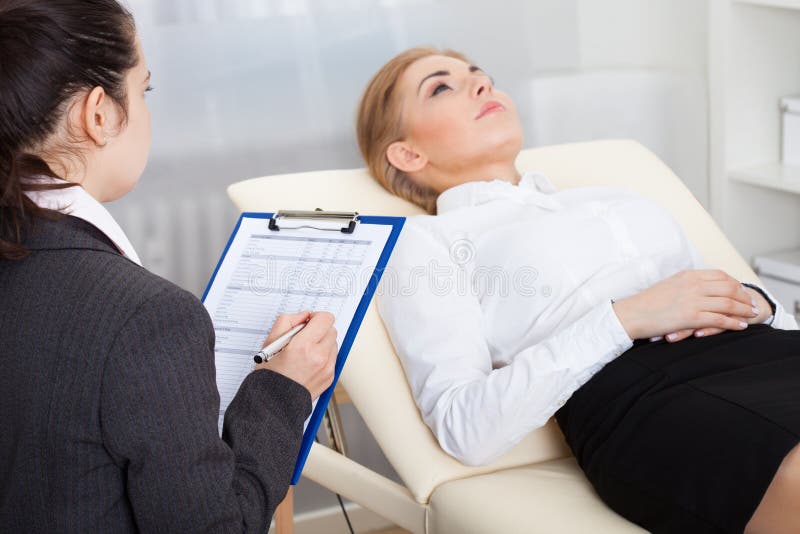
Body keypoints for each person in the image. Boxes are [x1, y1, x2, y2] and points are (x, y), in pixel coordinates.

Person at [357, 47, 800, 533]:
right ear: (407, 153)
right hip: (646, 398)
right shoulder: (429, 243)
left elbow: (733, 299)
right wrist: (625, 318)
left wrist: (759, 305)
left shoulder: (616, 195)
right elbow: (465, 429)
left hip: (768, 350)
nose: (482, 84)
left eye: (481, 74)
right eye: (442, 87)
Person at [0, 1, 337, 531]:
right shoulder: (145, 318)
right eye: (144, 90)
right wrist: (282, 388)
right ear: (99, 114)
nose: (147, 108)